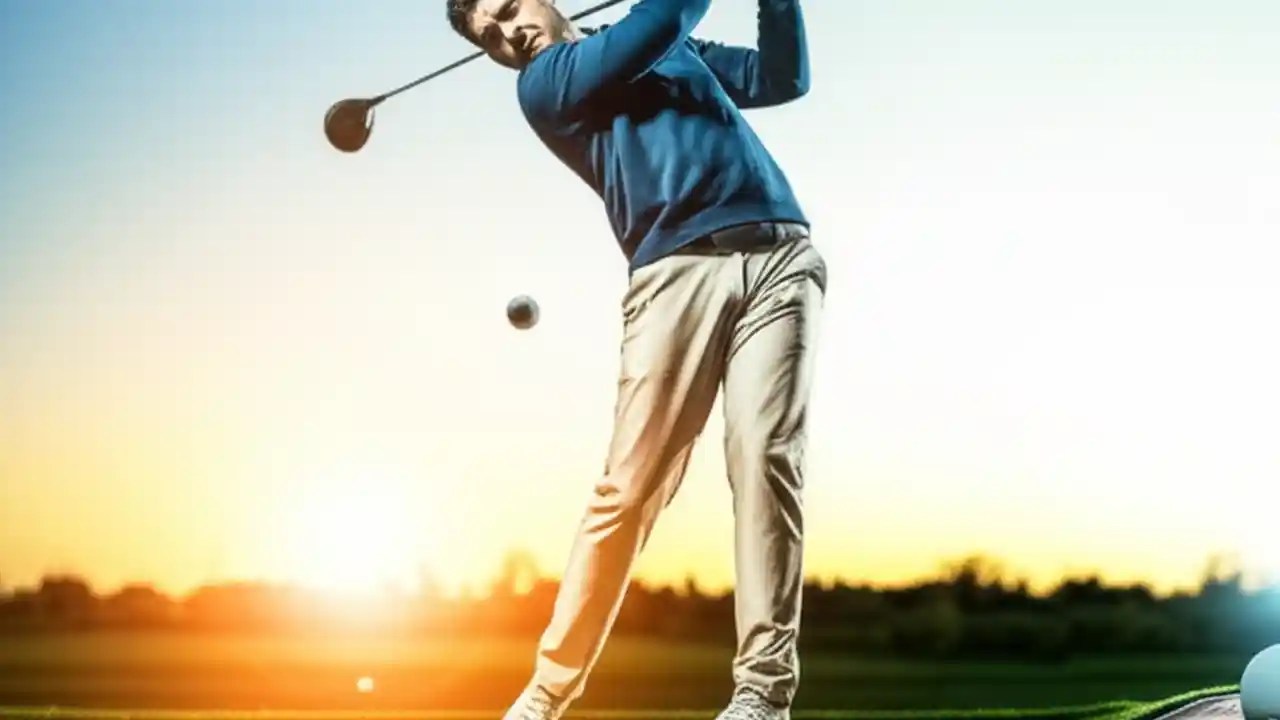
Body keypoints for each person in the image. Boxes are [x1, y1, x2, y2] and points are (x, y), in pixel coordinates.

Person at [444, 1, 825, 718]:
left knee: (766, 459)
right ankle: (545, 697)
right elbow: (658, 21)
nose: (506, 32)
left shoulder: (659, 45)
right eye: (488, 36)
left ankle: (761, 698)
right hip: (674, 275)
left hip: (782, 258)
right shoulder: (546, 84)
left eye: (507, 9)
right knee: (629, 491)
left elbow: (781, 79)